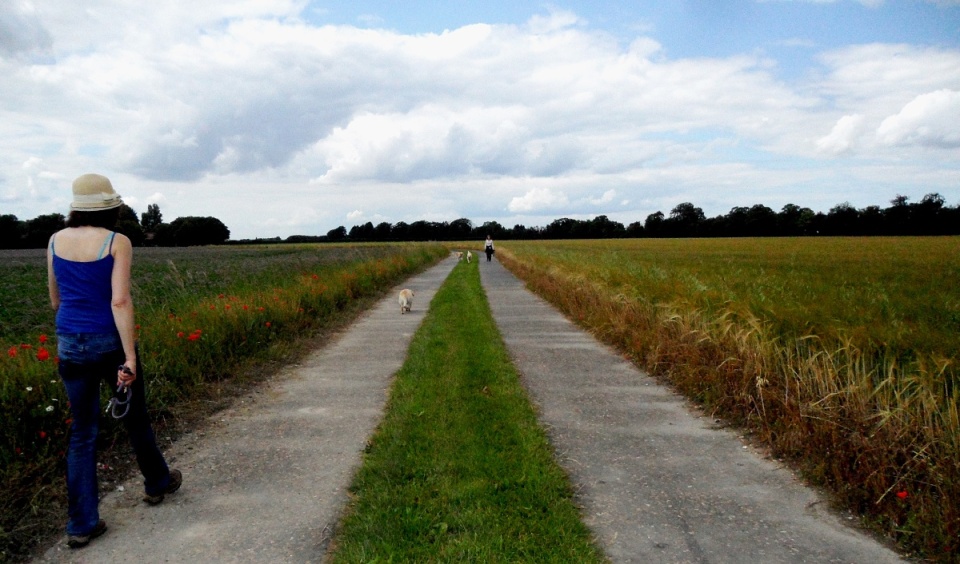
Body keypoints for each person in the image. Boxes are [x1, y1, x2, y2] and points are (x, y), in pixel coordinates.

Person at [47, 173, 181, 549]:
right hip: (108, 342)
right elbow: (119, 300)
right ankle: (157, 483)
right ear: (111, 208)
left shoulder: (54, 240)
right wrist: (130, 357)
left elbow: (55, 300)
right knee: (134, 417)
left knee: (83, 432)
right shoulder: (116, 241)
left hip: (69, 343)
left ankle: (81, 524)